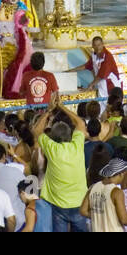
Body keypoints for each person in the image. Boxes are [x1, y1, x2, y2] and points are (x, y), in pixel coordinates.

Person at [34, 99, 89, 232]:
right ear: (70, 134)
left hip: (58, 204)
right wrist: (62, 107)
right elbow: (81, 123)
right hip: (79, 202)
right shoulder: (77, 145)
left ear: (52, 137)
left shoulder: (52, 148)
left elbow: (37, 131)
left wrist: (49, 110)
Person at [82, 159, 127, 232]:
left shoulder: (93, 188)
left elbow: (83, 211)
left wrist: (98, 216)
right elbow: (124, 220)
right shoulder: (116, 192)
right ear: (121, 174)